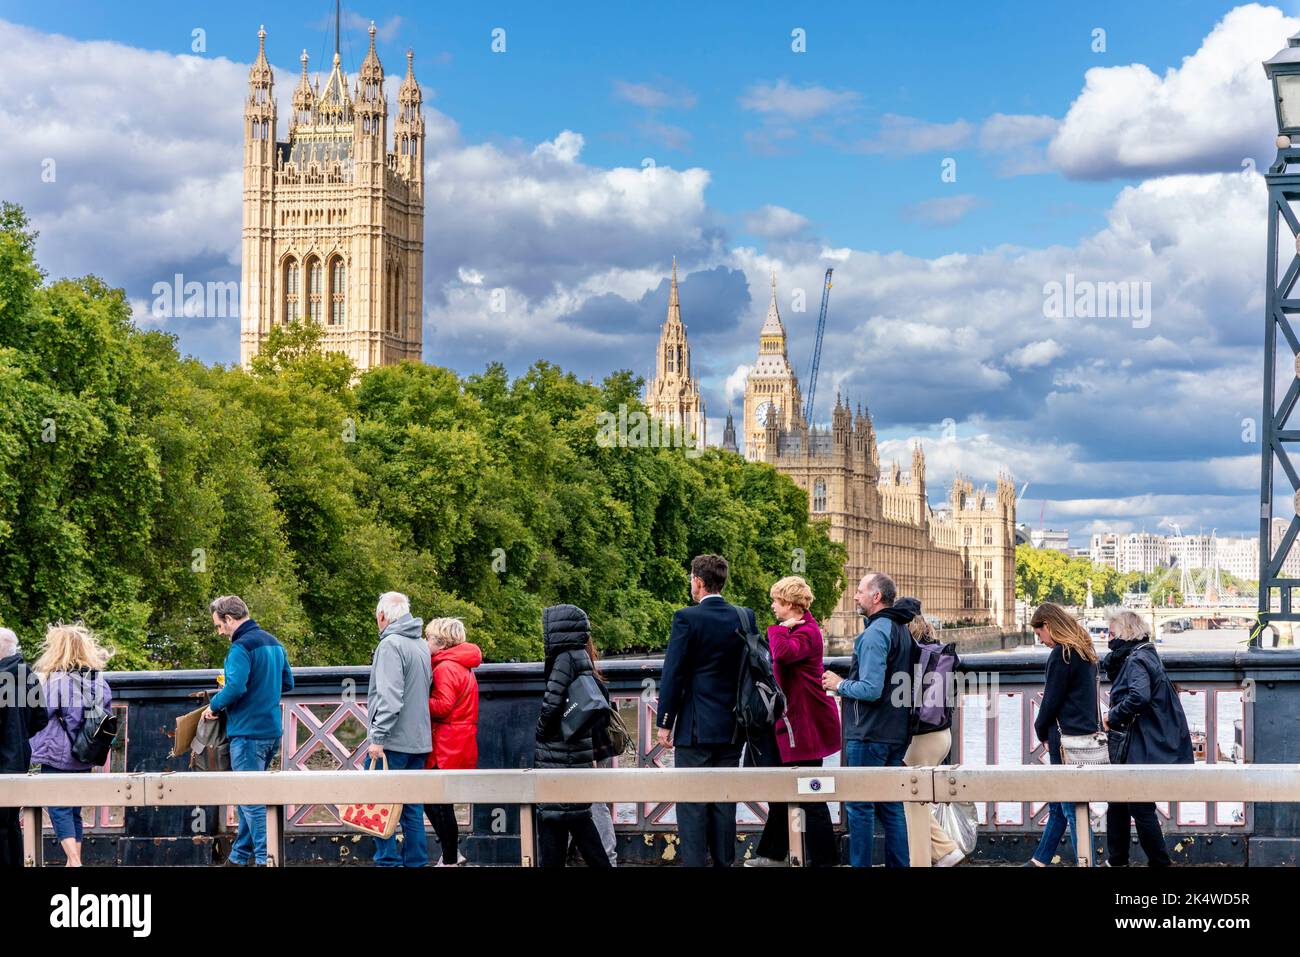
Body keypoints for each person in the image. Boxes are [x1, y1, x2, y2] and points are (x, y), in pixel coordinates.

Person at [656, 554, 751, 867]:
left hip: (695, 728)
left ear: (698, 581)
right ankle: (726, 863)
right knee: (724, 802)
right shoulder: (745, 616)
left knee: (692, 804)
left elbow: (673, 674)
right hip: (734, 725)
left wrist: (665, 722)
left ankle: (696, 863)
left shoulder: (687, 618)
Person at [744, 575, 841, 867]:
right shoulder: (799, 628)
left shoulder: (807, 632)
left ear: (789, 603)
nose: (772, 606)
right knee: (784, 789)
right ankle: (775, 854)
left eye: (776, 601)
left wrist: (777, 630)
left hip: (805, 725)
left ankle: (825, 861)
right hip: (793, 724)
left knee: (810, 796)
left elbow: (783, 654)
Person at [822, 572, 914, 867]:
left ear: (876, 597)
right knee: (891, 807)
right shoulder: (902, 629)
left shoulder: (875, 633)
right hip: (895, 731)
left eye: (860, 591)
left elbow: (872, 689)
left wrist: (839, 684)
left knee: (860, 806)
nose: (854, 596)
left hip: (869, 733)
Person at [205, 595, 294, 866]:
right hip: (271, 731)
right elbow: (287, 683)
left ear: (229, 619)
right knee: (251, 796)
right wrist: (262, 690)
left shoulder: (240, 648)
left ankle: (266, 858)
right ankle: (238, 857)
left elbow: (235, 688)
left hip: (246, 733)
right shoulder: (274, 643)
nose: (220, 631)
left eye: (220, 625)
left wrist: (215, 705)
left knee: (250, 799)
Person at [1102, 610, 1193, 867]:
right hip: (1147, 741)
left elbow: (1138, 697)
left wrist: (1112, 716)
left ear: (1124, 632)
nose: (1107, 639)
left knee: (1139, 806)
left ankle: (1159, 863)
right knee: (1119, 801)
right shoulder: (1147, 653)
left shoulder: (1136, 660)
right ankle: (1117, 860)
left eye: (1111, 634)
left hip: (1141, 744)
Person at [532, 604, 612, 868]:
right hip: (574, 751)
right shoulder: (580, 656)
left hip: (559, 754)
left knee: (557, 820)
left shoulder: (564, 658)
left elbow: (551, 703)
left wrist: (541, 733)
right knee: (575, 819)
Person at [28, 623, 113, 867]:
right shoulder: (99, 681)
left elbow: (39, 714)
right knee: (74, 810)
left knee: (58, 808)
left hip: (57, 754)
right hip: (86, 753)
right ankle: (72, 862)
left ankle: (75, 862)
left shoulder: (57, 681)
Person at [1027, 602, 1101, 867]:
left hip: (1065, 739)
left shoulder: (1062, 654)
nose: (1041, 641)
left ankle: (1088, 861)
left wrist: (1039, 729)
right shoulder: (1084, 650)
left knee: (1071, 807)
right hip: (1086, 737)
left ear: (1048, 625)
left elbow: (1051, 701)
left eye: (1039, 634)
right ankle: (1039, 861)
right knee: (1061, 805)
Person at [366, 591, 432, 868]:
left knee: (379, 802)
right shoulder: (420, 644)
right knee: (412, 809)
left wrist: (378, 737)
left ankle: (388, 862)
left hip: (393, 741)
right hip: (419, 740)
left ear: (382, 616)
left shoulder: (390, 645)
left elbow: (390, 698)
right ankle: (416, 863)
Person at [899, 599, 965, 867]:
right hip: (942, 735)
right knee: (918, 799)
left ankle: (939, 854)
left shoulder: (908, 653)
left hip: (919, 738)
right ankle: (939, 854)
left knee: (911, 802)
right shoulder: (940, 651)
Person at [423, 617, 481, 867]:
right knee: (441, 803)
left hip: (445, 743)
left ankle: (449, 858)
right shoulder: (462, 665)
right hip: (459, 740)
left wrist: (415, 703)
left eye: (428, 638)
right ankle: (451, 855)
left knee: (435, 802)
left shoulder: (445, 667)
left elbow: (443, 706)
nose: (425, 643)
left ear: (440, 642)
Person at [0, 627, 46, 868]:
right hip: (18, 761)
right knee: (11, 823)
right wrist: (18, 739)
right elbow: (41, 718)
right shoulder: (29, 677)